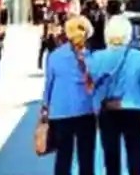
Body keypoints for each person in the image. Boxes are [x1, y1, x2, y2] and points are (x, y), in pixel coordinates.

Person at [89, 15, 140, 175]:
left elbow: (92, 87)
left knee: (111, 159)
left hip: (108, 111)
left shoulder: (97, 58)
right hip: (133, 111)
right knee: (135, 158)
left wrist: (95, 109)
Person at [41, 16, 97, 175]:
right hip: (85, 111)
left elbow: (49, 84)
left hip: (60, 112)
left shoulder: (54, 56)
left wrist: (45, 107)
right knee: (86, 159)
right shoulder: (91, 57)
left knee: (63, 158)